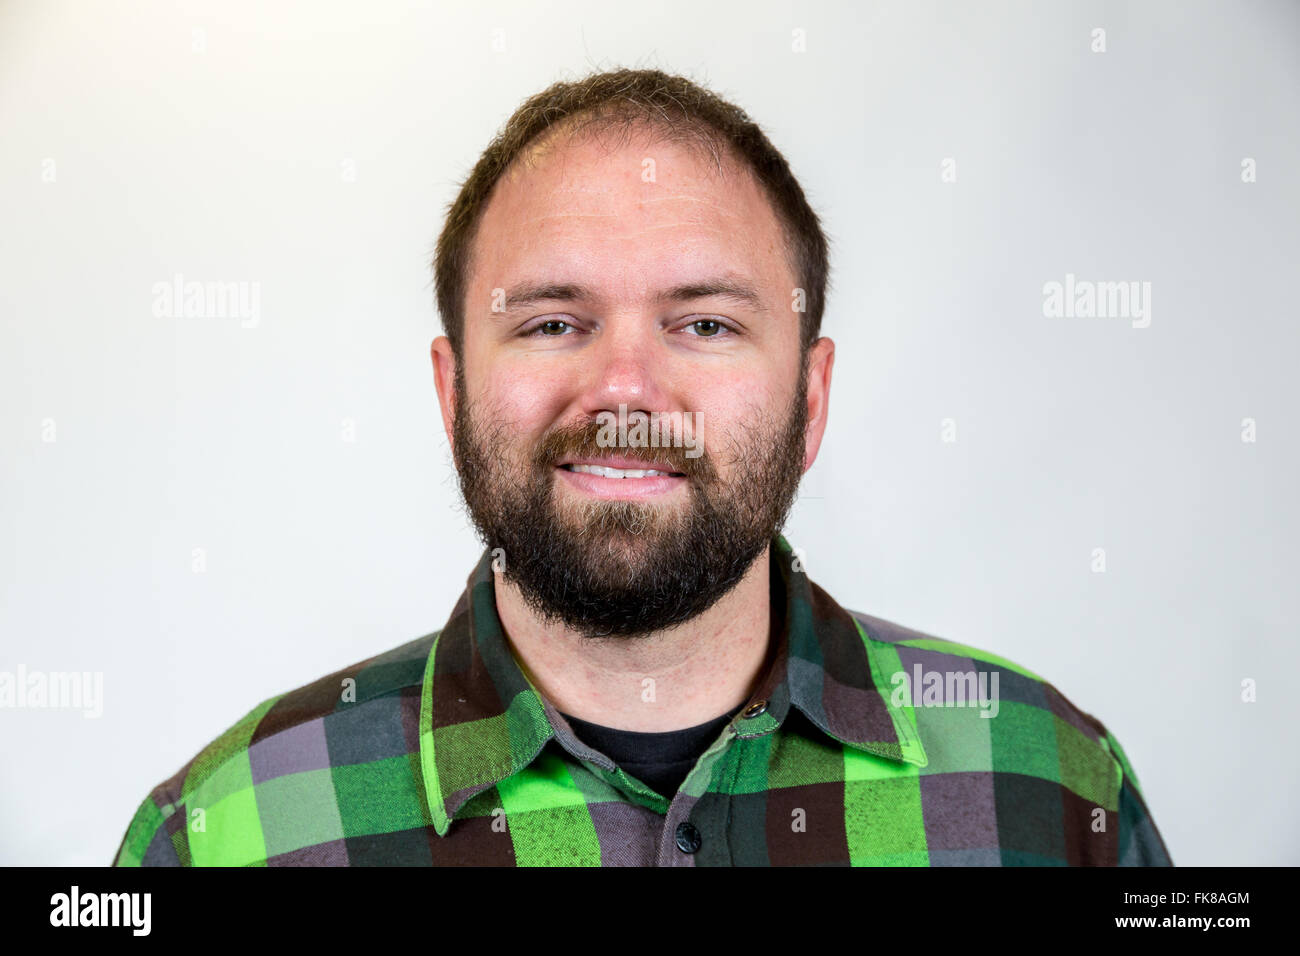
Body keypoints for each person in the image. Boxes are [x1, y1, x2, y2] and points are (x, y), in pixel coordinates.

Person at [114, 68, 1172, 867]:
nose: (624, 388)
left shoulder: (1051, 785)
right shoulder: (224, 833)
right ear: (452, 393)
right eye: (553, 322)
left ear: (810, 397)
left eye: (704, 322)